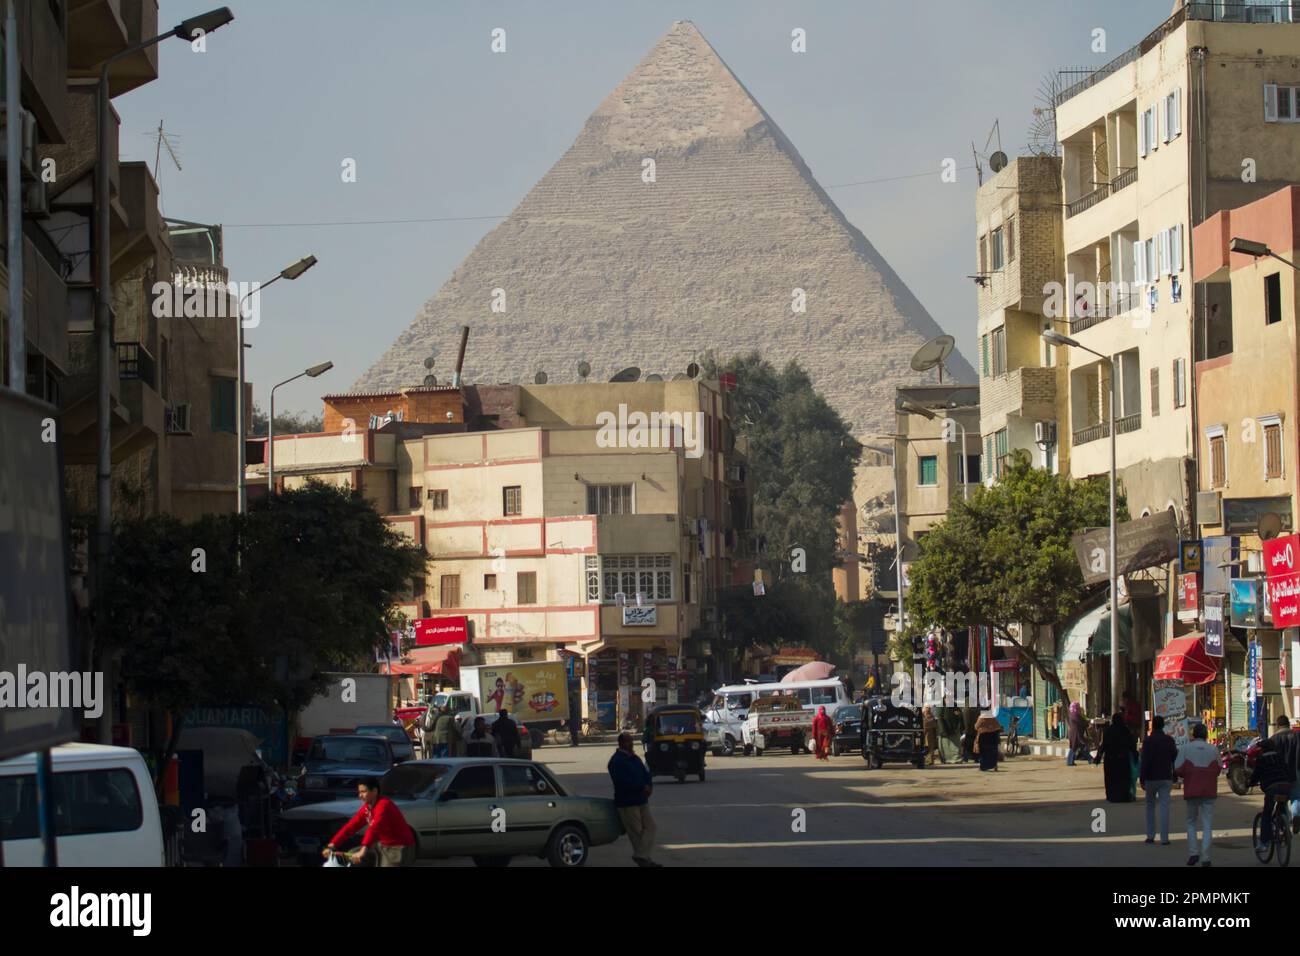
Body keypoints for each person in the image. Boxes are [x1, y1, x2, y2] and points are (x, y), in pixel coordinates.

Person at [323, 776, 416, 867]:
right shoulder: (368, 807)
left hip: (398, 848)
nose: (360, 795)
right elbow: (350, 827)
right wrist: (332, 845)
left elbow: (374, 828)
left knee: (360, 855)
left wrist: (363, 850)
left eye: (364, 792)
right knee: (352, 856)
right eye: (359, 792)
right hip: (381, 846)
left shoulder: (384, 805)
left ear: (374, 791)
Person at [607, 732, 661, 867]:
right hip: (627, 803)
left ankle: (641, 856)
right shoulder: (616, 761)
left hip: (642, 800)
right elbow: (622, 782)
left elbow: (646, 773)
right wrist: (641, 787)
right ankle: (645, 860)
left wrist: (649, 786)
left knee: (651, 827)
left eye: (631, 741)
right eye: (627, 741)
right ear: (621, 743)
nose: (631, 743)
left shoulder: (635, 758)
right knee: (636, 833)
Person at [1250, 715, 1300, 852]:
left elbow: (1256, 775)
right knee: (1292, 799)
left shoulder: (1265, 753)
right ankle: (1291, 821)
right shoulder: (1296, 737)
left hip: (1272, 786)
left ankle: (1264, 843)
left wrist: (1250, 783)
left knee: (1267, 812)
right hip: (1290, 779)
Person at [1176, 722, 1221, 867]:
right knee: (1207, 824)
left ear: (1193, 735)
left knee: (1191, 822)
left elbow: (1177, 768)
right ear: (1206, 735)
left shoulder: (1185, 748)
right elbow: (1219, 768)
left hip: (1192, 790)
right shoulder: (1213, 749)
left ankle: (1193, 854)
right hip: (1209, 791)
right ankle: (1206, 858)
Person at [1139, 715, 1178, 845]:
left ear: (1153, 726)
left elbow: (1144, 761)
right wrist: (1175, 774)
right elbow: (1174, 758)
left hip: (1150, 778)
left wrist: (1142, 778)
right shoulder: (1169, 740)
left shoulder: (1148, 741)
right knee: (1164, 807)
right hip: (1165, 777)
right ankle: (1164, 838)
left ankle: (1150, 836)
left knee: (1150, 806)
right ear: (1163, 726)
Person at [1094, 713, 1137, 803]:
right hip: (1123, 759)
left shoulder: (1109, 731)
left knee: (1111, 779)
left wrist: (1098, 756)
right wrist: (1135, 755)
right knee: (1124, 779)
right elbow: (1132, 744)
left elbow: (1103, 745)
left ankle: (1111, 796)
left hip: (1111, 760)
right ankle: (1124, 796)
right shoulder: (1125, 730)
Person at [1066, 701, 1089, 766]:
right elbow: (1082, 721)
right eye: (1078, 707)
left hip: (1075, 734)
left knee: (1077, 747)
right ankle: (1070, 762)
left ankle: (1070, 761)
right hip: (1076, 734)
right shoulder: (1075, 715)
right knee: (1079, 747)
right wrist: (1087, 722)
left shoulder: (1072, 714)